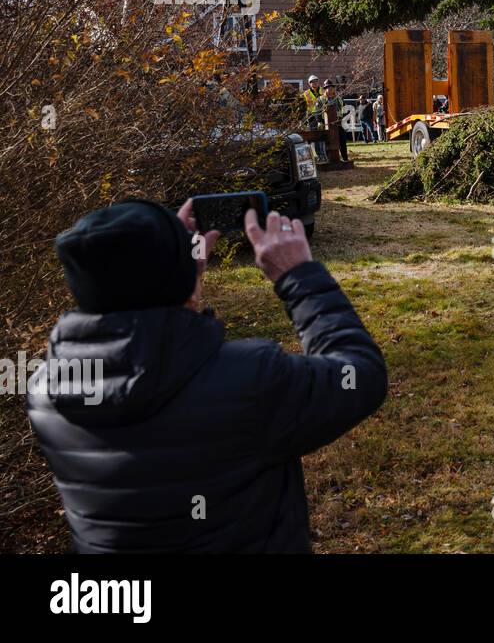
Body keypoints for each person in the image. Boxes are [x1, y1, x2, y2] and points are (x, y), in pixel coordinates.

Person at [26, 199, 387, 552]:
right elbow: (359, 375)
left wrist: (180, 278)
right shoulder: (250, 380)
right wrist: (299, 277)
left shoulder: (46, 391)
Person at [321, 80, 349, 163]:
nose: (330, 89)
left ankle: (345, 158)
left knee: (342, 141)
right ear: (325, 89)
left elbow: (345, 110)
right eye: (328, 88)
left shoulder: (339, 99)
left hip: (339, 123)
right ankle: (329, 159)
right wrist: (320, 121)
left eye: (332, 88)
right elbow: (317, 112)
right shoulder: (321, 99)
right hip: (327, 124)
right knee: (328, 142)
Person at [302, 75, 326, 160]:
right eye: (312, 82)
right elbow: (303, 107)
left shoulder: (323, 91)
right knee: (315, 137)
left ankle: (324, 154)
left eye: (316, 81)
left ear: (318, 82)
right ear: (309, 84)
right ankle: (319, 155)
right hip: (311, 117)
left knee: (323, 136)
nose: (314, 83)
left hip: (322, 116)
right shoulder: (306, 94)